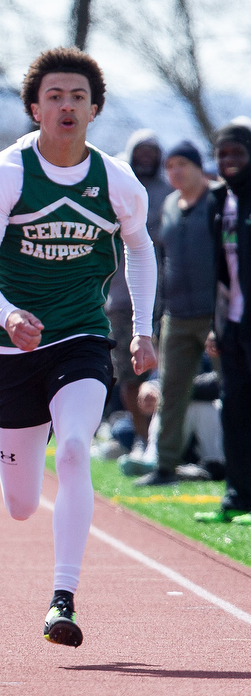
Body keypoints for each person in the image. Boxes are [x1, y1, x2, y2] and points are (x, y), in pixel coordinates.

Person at [0, 47, 157, 648]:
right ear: (34, 109)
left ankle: (62, 599)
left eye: (78, 97)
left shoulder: (116, 181)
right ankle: (31, 432)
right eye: (54, 96)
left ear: (94, 109)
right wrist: (7, 313)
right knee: (21, 505)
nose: (66, 106)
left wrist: (142, 328)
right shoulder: (4, 174)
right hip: (12, 347)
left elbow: (140, 250)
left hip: (81, 337)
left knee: (73, 450)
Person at [130, 141, 221, 485]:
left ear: (199, 167)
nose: (175, 172)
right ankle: (165, 465)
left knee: (234, 390)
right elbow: (162, 261)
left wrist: (221, 318)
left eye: (183, 164)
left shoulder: (219, 200)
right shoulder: (168, 204)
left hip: (215, 314)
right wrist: (157, 315)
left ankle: (238, 468)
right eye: (170, 166)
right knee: (171, 389)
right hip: (177, 315)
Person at [99, 130, 170, 457]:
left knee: (162, 372)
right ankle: (141, 439)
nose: (145, 158)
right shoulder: (115, 190)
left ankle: (161, 442)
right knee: (129, 372)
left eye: (151, 152)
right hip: (120, 298)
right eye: (140, 151)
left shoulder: (168, 194)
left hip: (163, 299)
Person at [194, 120, 251, 524]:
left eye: (238, 153)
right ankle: (238, 497)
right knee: (234, 410)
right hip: (232, 325)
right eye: (222, 153)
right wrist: (217, 325)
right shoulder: (218, 201)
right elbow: (220, 272)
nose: (229, 160)